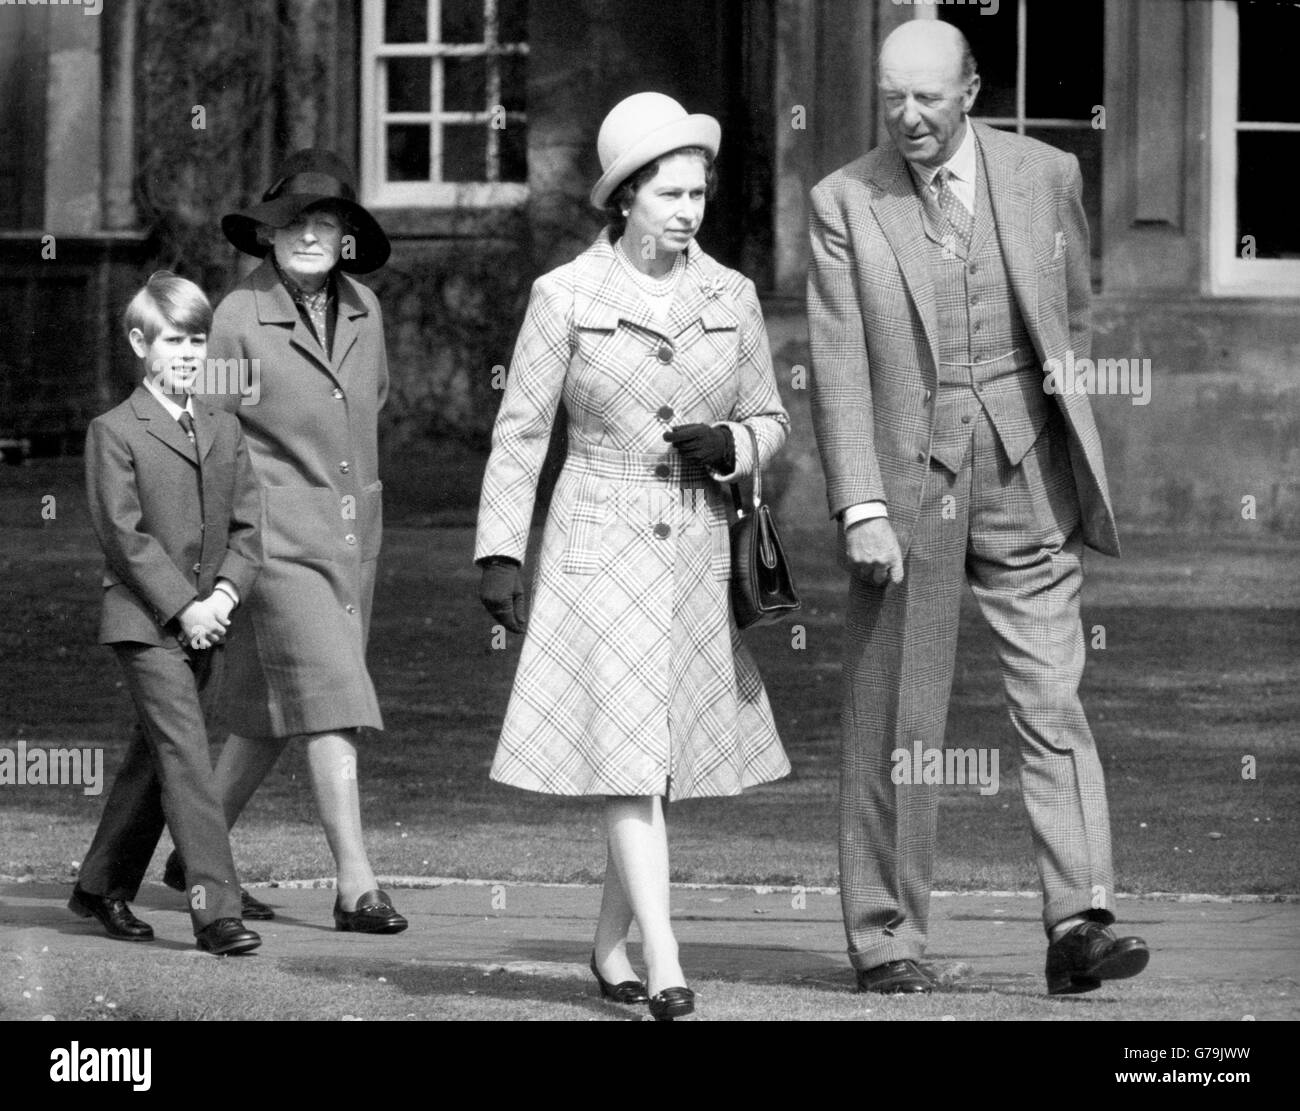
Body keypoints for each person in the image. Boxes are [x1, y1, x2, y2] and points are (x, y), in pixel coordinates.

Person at [806, 20, 1150, 995]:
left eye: (926, 97)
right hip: (904, 491)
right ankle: (885, 938)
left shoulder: (1046, 176)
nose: (906, 118)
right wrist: (859, 503)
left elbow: (1066, 310)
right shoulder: (842, 202)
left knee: (1052, 697)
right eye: (890, 99)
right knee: (896, 722)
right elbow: (835, 362)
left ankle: (1078, 919)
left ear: (970, 91)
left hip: (1024, 472)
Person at [475, 92, 790, 1020]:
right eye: (670, 194)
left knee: (654, 765)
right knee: (625, 758)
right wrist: (499, 548)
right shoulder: (566, 295)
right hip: (594, 542)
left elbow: (773, 419)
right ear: (625, 199)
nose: (690, 210)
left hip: (693, 543)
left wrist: (731, 443)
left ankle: (608, 943)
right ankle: (666, 962)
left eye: (699, 193)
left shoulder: (730, 294)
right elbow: (522, 432)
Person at [163, 149, 406, 934]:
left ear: (345, 239)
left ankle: (191, 851)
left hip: (351, 538)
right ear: (267, 238)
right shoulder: (236, 318)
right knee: (330, 696)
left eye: (324, 222)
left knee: (270, 712)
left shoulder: (366, 310)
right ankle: (356, 882)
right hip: (269, 541)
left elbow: (371, 404)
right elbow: (207, 432)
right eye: (291, 222)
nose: (307, 235)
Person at [70, 271, 263, 956]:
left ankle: (99, 884)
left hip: (211, 619)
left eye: (198, 340)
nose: (188, 352)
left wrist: (222, 599)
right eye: (174, 339)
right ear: (138, 340)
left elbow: (247, 529)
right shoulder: (114, 430)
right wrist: (184, 607)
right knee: (185, 757)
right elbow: (124, 537)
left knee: (153, 760)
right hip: (145, 623)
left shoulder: (222, 425)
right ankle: (215, 910)